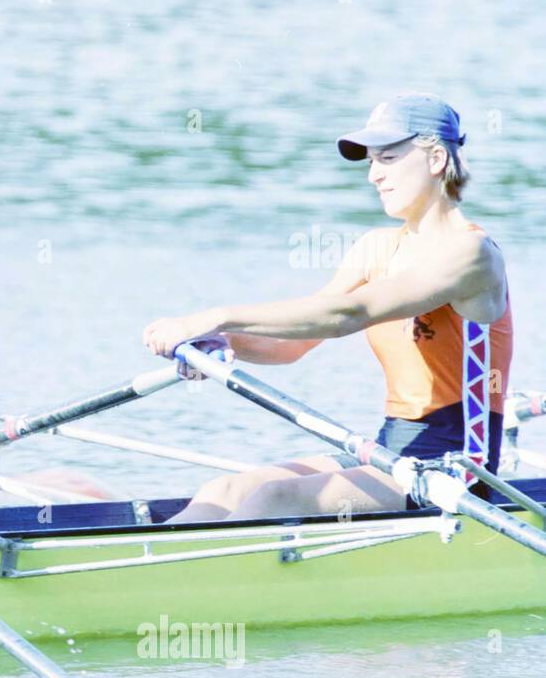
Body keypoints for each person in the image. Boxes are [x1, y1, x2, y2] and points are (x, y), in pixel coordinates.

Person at [143, 93, 512, 523]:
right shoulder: (375, 248)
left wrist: (218, 314)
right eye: (370, 161)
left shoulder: (471, 254)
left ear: (434, 159)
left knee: (276, 500)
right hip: (392, 450)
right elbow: (293, 343)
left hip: (456, 470)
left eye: (388, 158)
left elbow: (347, 315)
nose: (374, 175)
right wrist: (223, 342)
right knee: (226, 491)